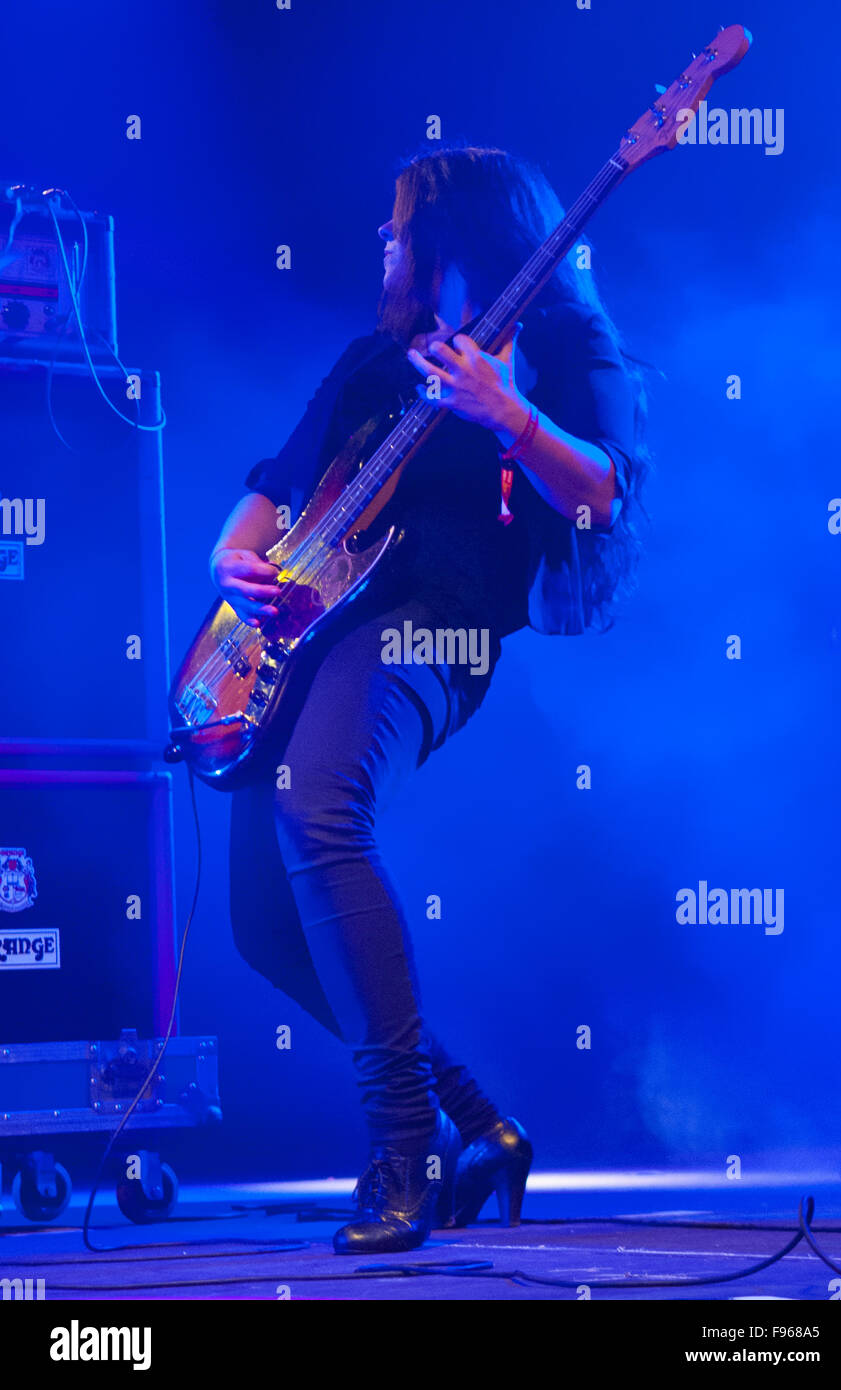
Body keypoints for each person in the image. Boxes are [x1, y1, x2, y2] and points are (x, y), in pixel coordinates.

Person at [210, 146, 646, 1254]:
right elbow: (274, 482)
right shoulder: (376, 359)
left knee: (319, 809)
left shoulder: (559, 343)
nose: (385, 243)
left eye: (400, 226)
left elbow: (601, 496)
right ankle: (478, 1125)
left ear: (457, 236)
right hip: (308, 639)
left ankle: (400, 1154)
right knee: (264, 924)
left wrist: (511, 414)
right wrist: (234, 554)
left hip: (436, 622)